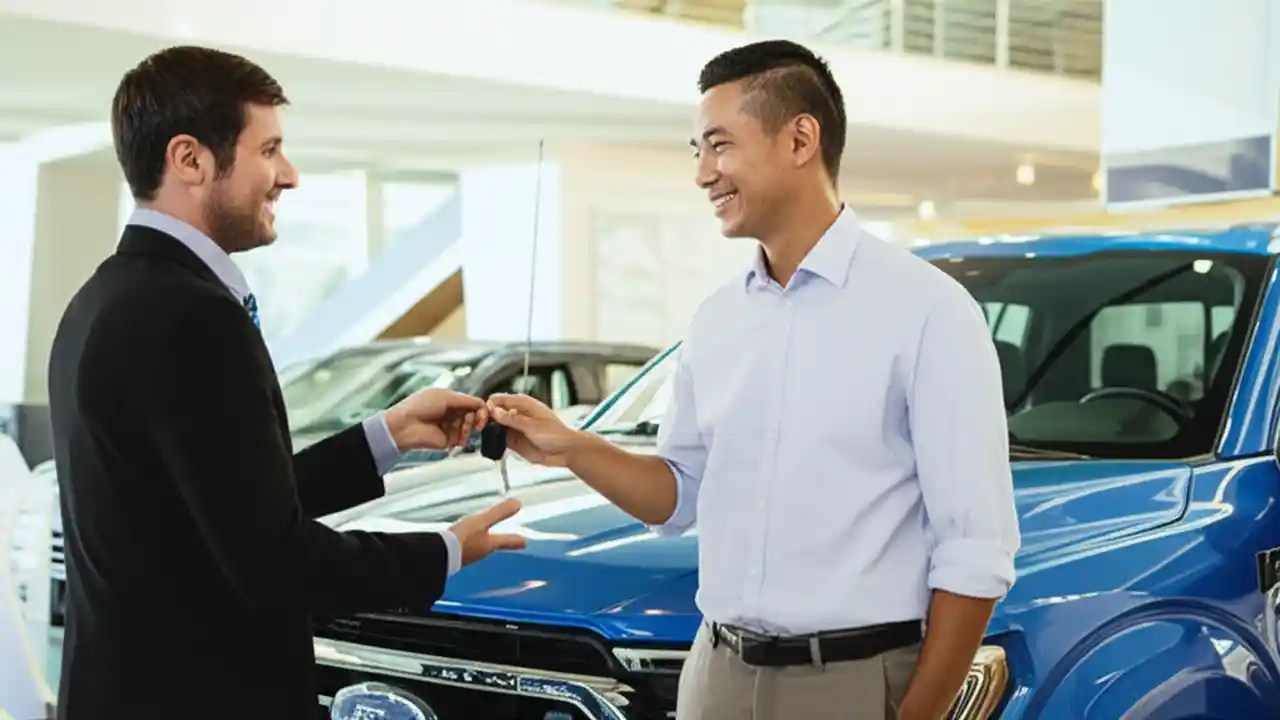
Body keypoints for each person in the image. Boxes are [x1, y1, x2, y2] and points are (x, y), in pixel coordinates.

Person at [487, 39, 1020, 720]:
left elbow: (974, 549)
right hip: (715, 675)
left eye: (719, 146)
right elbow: (678, 495)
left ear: (800, 139)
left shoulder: (928, 311)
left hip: (853, 683)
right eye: (697, 150)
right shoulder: (718, 318)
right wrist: (572, 447)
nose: (702, 174)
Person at [46, 46, 526, 719]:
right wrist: (443, 551)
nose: (290, 176)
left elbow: (224, 510)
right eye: (269, 150)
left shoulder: (103, 298)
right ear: (190, 160)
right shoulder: (193, 317)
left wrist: (385, 437)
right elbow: (272, 561)